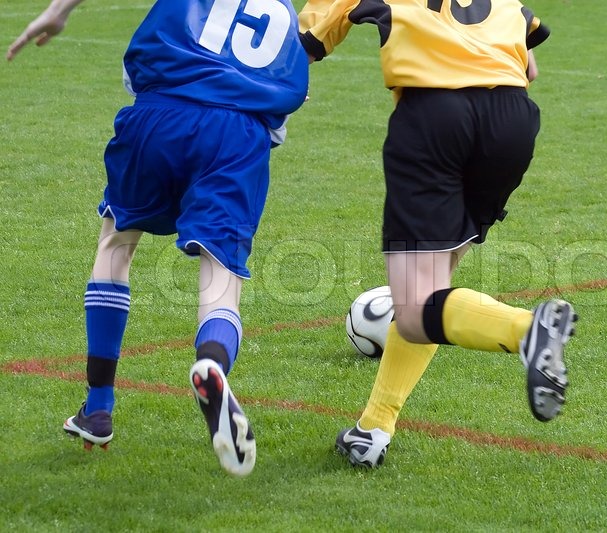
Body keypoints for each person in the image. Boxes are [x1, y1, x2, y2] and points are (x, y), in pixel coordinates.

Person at [7, 0, 309, 476]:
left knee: (116, 243)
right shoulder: (283, 8)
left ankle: (99, 405)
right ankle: (212, 365)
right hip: (238, 132)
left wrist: (59, 10)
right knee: (222, 276)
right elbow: (290, 90)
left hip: (160, 111)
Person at [298, 0, 578, 467]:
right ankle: (373, 427)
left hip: (435, 117)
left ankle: (529, 329)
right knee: (430, 297)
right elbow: (530, 65)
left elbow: (305, 42)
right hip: (511, 120)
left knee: (413, 313)